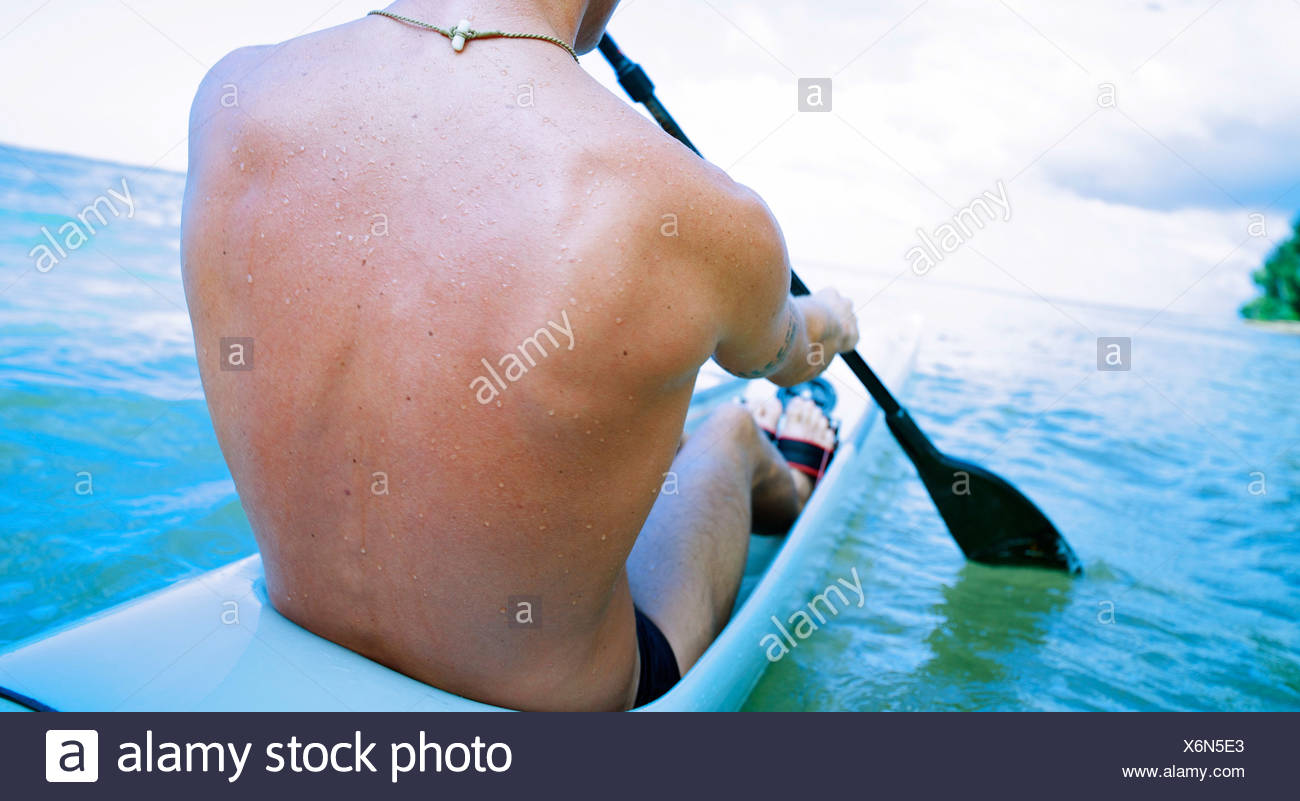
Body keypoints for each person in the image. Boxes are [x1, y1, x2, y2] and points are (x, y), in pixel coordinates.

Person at [180, 0, 860, 711]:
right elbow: (784, 354)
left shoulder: (233, 96)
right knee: (731, 429)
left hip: (299, 629)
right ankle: (789, 468)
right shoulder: (702, 209)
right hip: (568, 705)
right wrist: (836, 320)